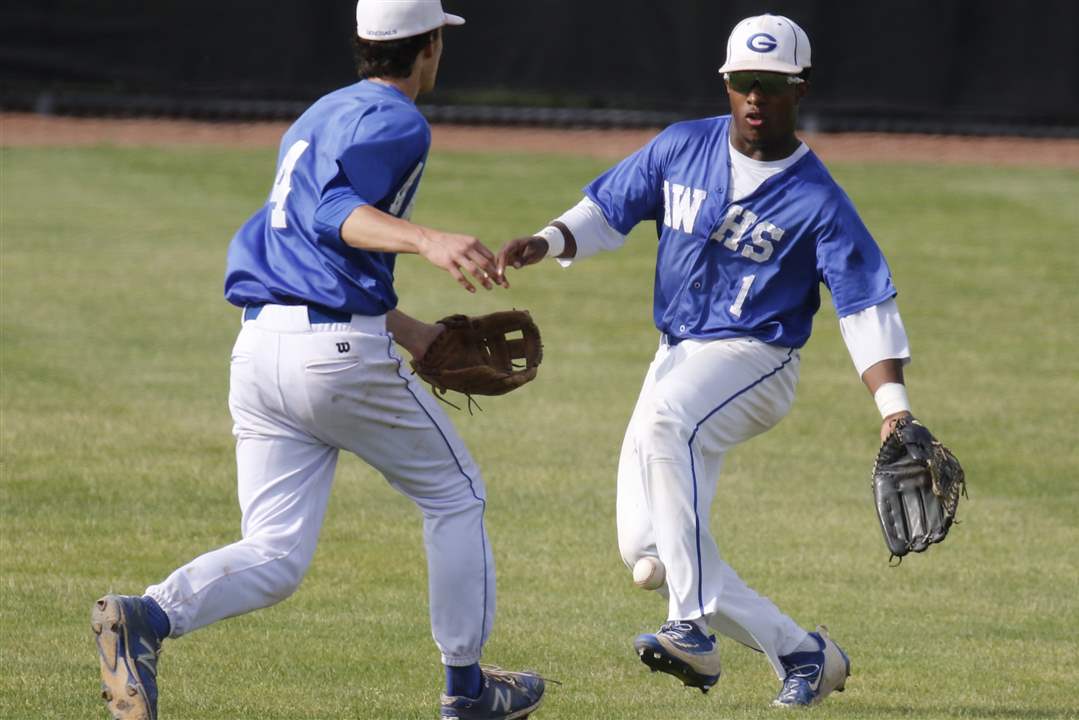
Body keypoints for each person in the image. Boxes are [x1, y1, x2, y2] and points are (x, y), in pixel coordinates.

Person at [91, 2, 546, 719]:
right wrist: (425, 238)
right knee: (455, 496)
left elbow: (308, 246)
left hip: (261, 349)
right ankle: (468, 688)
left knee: (273, 555)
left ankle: (146, 616)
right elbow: (329, 211)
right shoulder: (399, 119)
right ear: (428, 46)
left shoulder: (319, 114)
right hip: (335, 358)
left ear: (364, 44)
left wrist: (410, 332)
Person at [498, 13, 915, 708]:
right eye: (743, 82)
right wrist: (546, 240)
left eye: (771, 85)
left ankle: (689, 628)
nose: (755, 97)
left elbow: (863, 305)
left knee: (667, 425)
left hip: (758, 358)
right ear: (725, 83)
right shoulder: (680, 146)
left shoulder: (817, 199)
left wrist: (893, 412)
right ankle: (803, 652)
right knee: (648, 546)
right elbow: (607, 210)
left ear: (798, 89)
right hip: (677, 358)